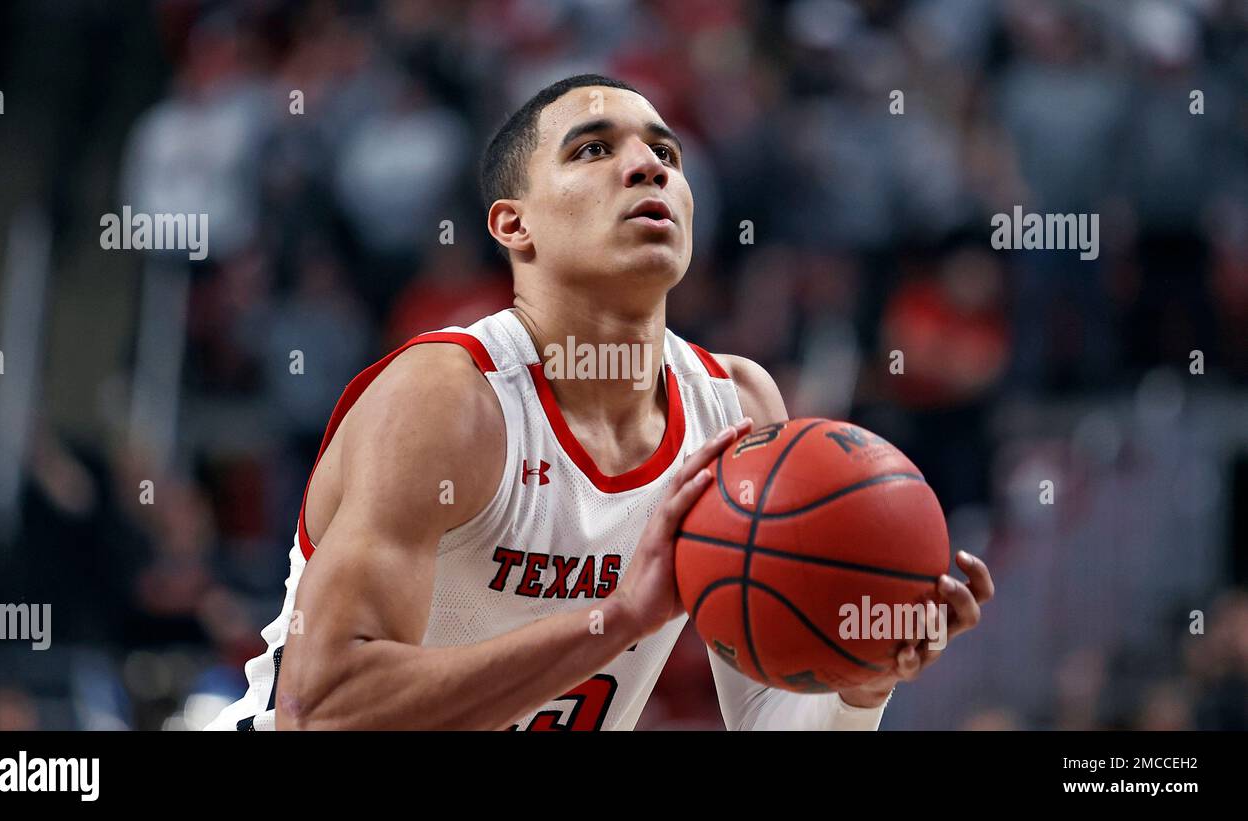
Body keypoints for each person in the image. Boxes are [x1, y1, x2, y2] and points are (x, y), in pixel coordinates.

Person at [205, 74, 993, 731]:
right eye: (593, 149)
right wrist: (617, 619)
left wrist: (861, 675)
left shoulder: (737, 407)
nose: (648, 166)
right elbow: (323, 711)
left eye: (666, 153)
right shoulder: (448, 397)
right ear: (516, 225)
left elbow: (771, 722)